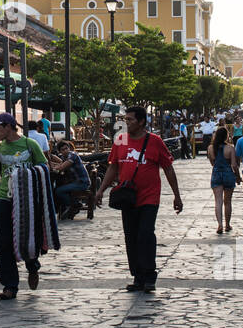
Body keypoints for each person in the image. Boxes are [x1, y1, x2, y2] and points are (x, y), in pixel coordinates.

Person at [95, 106, 181, 292]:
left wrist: (177, 195)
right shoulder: (121, 140)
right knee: (131, 237)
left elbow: (168, 168)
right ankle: (138, 276)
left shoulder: (154, 141)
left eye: (130, 120)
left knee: (145, 235)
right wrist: (101, 190)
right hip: (128, 197)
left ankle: (149, 275)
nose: (126, 123)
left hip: (149, 197)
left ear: (141, 121)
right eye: (125, 120)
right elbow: (113, 167)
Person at [0, 112, 50, 300]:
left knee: (27, 238)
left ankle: (32, 265)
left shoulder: (30, 145)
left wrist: (27, 176)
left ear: (8, 126)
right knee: (3, 242)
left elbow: (44, 169)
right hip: (5, 199)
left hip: (27, 198)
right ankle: (10, 285)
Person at [206, 126, 239, 235]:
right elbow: (234, 165)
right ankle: (227, 225)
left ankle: (219, 224)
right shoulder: (230, 148)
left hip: (216, 174)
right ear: (226, 136)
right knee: (227, 201)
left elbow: (212, 163)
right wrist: (238, 176)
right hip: (228, 174)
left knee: (218, 201)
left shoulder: (210, 148)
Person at [49, 140, 91, 220]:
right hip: (75, 183)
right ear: (60, 151)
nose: (65, 151)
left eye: (66, 148)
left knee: (58, 191)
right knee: (58, 187)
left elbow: (61, 167)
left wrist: (53, 167)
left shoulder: (73, 155)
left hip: (82, 183)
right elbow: (59, 163)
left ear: (69, 148)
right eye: (63, 150)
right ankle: (69, 206)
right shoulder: (64, 157)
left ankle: (73, 206)